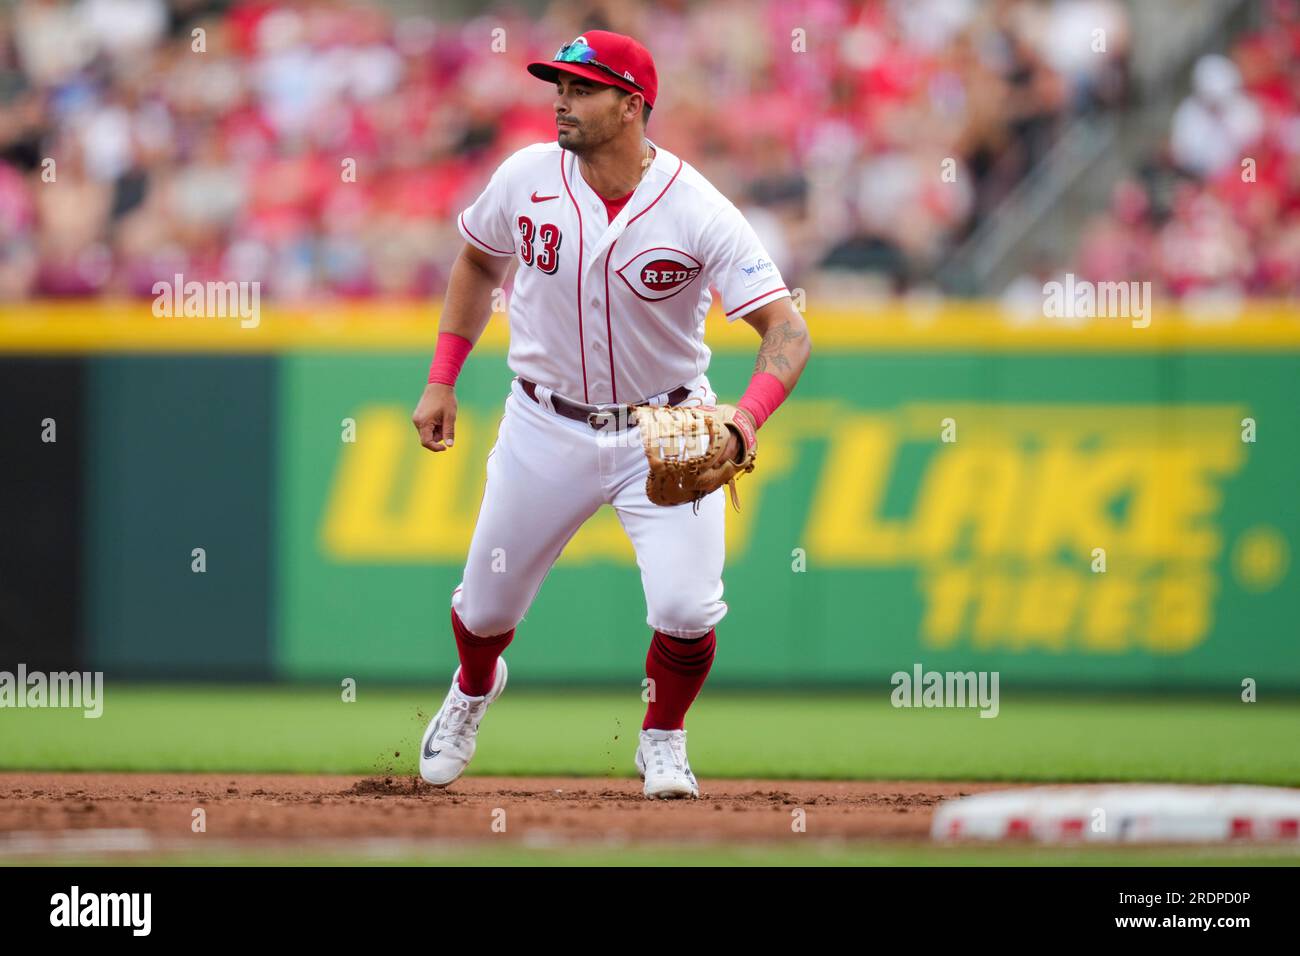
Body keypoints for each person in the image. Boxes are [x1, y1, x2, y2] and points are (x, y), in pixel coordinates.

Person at [411, 31, 811, 798]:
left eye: (583, 87)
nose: (562, 99)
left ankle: (662, 737)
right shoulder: (526, 176)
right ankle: (470, 689)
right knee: (487, 603)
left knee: (687, 607)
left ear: (632, 106)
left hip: (662, 429)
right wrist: (442, 379)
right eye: (558, 84)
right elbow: (477, 261)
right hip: (542, 424)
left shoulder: (698, 209)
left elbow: (788, 331)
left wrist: (748, 417)